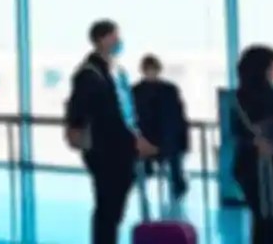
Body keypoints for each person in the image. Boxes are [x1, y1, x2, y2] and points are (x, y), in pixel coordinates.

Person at [65, 20, 156, 244]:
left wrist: (137, 137)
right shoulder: (90, 74)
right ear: (101, 40)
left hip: (121, 147)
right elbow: (84, 109)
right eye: (114, 37)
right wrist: (74, 128)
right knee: (108, 205)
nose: (118, 41)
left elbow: (125, 111)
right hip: (105, 149)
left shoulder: (114, 71)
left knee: (113, 207)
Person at [232, 44, 273, 244]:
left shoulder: (239, 97)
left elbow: (238, 132)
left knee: (263, 224)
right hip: (272, 171)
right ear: (266, 68)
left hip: (248, 168)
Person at [132, 54, 189, 201]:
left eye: (153, 69)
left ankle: (177, 188)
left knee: (174, 167)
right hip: (148, 137)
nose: (151, 73)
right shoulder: (136, 91)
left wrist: (182, 140)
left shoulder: (169, 90)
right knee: (144, 167)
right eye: (148, 69)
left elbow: (178, 116)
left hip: (167, 137)